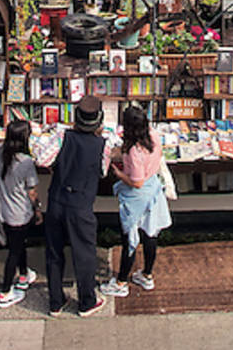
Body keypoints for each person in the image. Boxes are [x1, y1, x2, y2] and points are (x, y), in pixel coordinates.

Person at [44, 95, 107, 317]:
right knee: (85, 254)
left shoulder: (63, 136)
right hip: (80, 205)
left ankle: (55, 301)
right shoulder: (102, 145)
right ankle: (86, 301)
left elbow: (44, 158)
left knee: (53, 252)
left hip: (57, 200)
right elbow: (103, 170)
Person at [101, 103, 171, 298]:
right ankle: (147, 275)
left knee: (130, 239)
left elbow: (136, 182)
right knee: (150, 235)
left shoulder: (134, 151)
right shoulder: (153, 136)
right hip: (153, 190)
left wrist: (118, 173)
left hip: (137, 197)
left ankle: (121, 281)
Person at [0, 118, 40, 308]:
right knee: (14, 251)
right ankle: (5, 292)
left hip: (4, 211)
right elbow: (32, 191)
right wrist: (38, 209)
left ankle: (24, 274)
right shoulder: (25, 162)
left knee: (18, 245)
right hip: (21, 213)